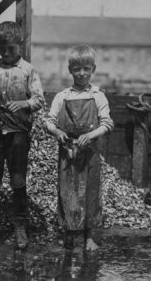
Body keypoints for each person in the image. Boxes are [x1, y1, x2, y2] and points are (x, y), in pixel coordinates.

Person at [0, 21, 45, 249]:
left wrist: (23, 103)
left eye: (10, 49)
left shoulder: (28, 71)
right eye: (1, 49)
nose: (5, 53)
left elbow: (39, 100)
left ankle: (20, 227)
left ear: (20, 45)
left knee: (18, 182)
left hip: (18, 135)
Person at [45, 44, 114, 251]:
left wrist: (90, 135)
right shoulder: (62, 96)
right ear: (70, 70)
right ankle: (69, 233)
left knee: (90, 193)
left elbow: (107, 124)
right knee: (67, 191)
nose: (82, 73)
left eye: (86, 68)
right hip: (67, 153)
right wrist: (57, 132)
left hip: (90, 153)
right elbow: (48, 121)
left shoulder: (98, 96)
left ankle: (89, 236)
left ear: (93, 69)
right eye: (77, 69)